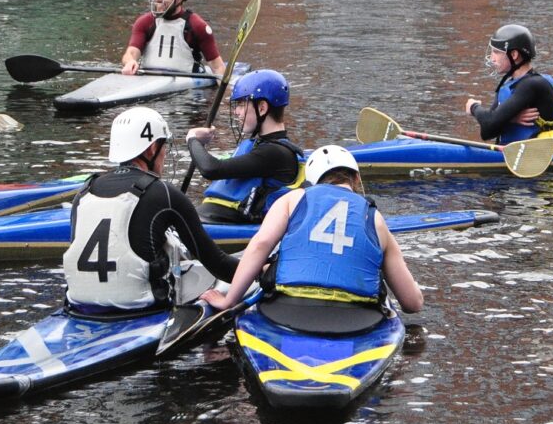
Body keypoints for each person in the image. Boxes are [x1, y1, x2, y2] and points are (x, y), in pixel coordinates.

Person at [199, 145, 423, 315]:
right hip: (353, 318)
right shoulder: (376, 220)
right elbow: (412, 303)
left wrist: (230, 301)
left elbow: (260, 245)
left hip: (290, 310)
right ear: (356, 178)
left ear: (313, 181)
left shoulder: (293, 198)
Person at [63, 106, 240, 313]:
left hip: (78, 306)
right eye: (163, 145)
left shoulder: (84, 193)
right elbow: (217, 264)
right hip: (140, 310)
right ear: (151, 149)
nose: (165, 153)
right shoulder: (163, 193)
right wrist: (262, 270)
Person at [186, 69, 303, 224]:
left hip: (220, 228)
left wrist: (192, 139)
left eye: (241, 104)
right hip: (209, 219)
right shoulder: (261, 146)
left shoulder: (275, 153)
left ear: (262, 108)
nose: (236, 112)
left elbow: (211, 169)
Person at [464, 24, 553, 147]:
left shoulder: (533, 85)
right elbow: (487, 132)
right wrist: (511, 119)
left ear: (514, 55)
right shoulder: (508, 84)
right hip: (512, 154)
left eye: (496, 52)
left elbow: (489, 123)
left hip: (538, 156)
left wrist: (474, 107)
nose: (492, 58)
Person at [120, 0, 226, 77]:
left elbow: (218, 67)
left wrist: (226, 92)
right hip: (149, 78)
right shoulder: (144, 22)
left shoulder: (197, 25)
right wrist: (130, 62)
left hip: (187, 86)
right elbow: (131, 53)